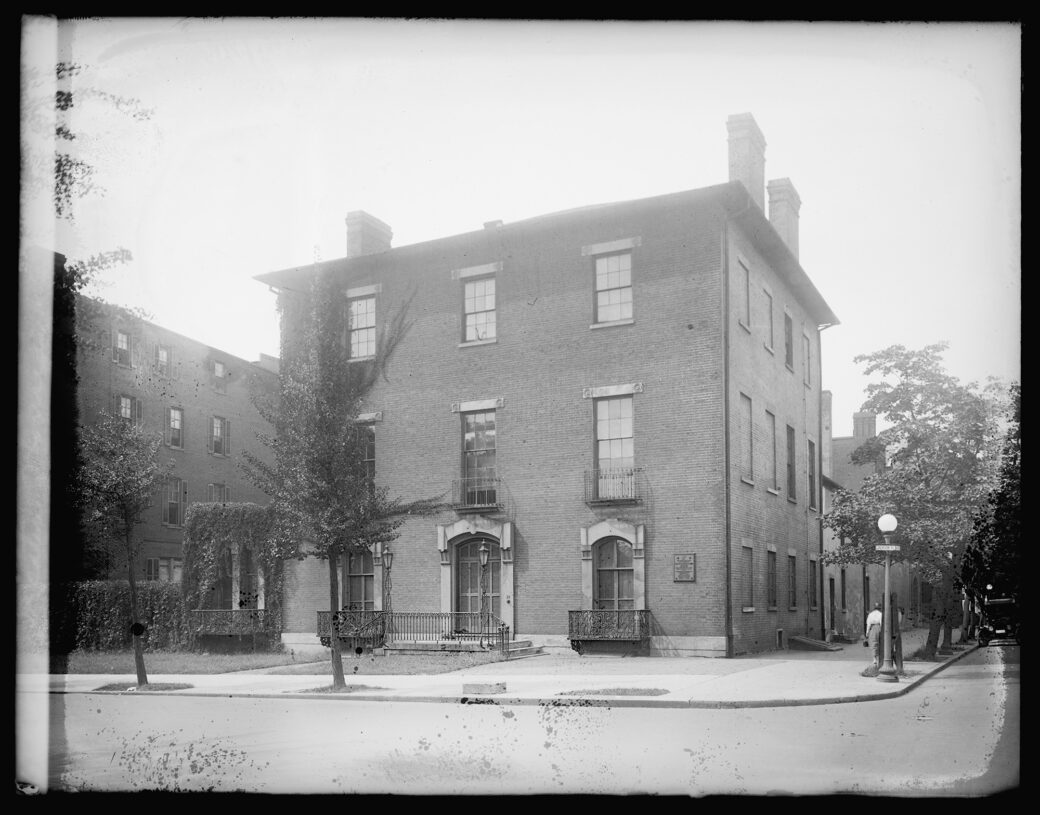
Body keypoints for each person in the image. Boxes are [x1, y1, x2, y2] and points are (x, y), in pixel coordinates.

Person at [864, 602, 883, 668]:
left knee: (873, 643)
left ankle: (874, 659)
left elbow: (868, 624)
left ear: (874, 608)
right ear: (880, 608)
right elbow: (881, 623)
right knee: (880, 643)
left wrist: (867, 633)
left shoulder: (870, 614)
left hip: (872, 628)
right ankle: (879, 658)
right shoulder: (881, 614)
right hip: (879, 628)